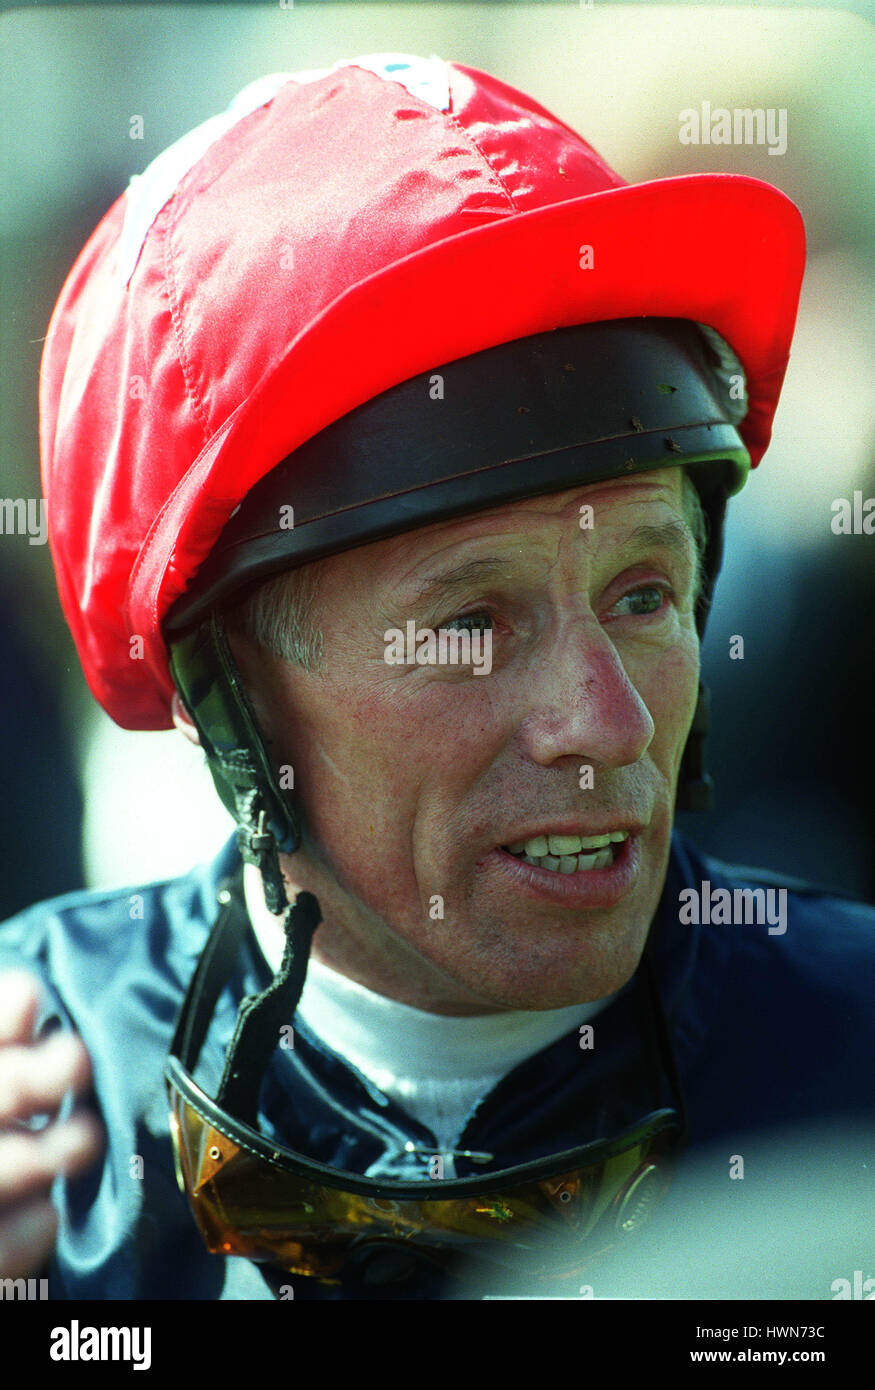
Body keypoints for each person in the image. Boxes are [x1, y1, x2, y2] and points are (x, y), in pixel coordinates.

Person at [1, 53, 872, 1302]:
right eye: (469, 623)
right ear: (220, 699)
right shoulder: (42, 1088)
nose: (606, 724)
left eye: (641, 595)